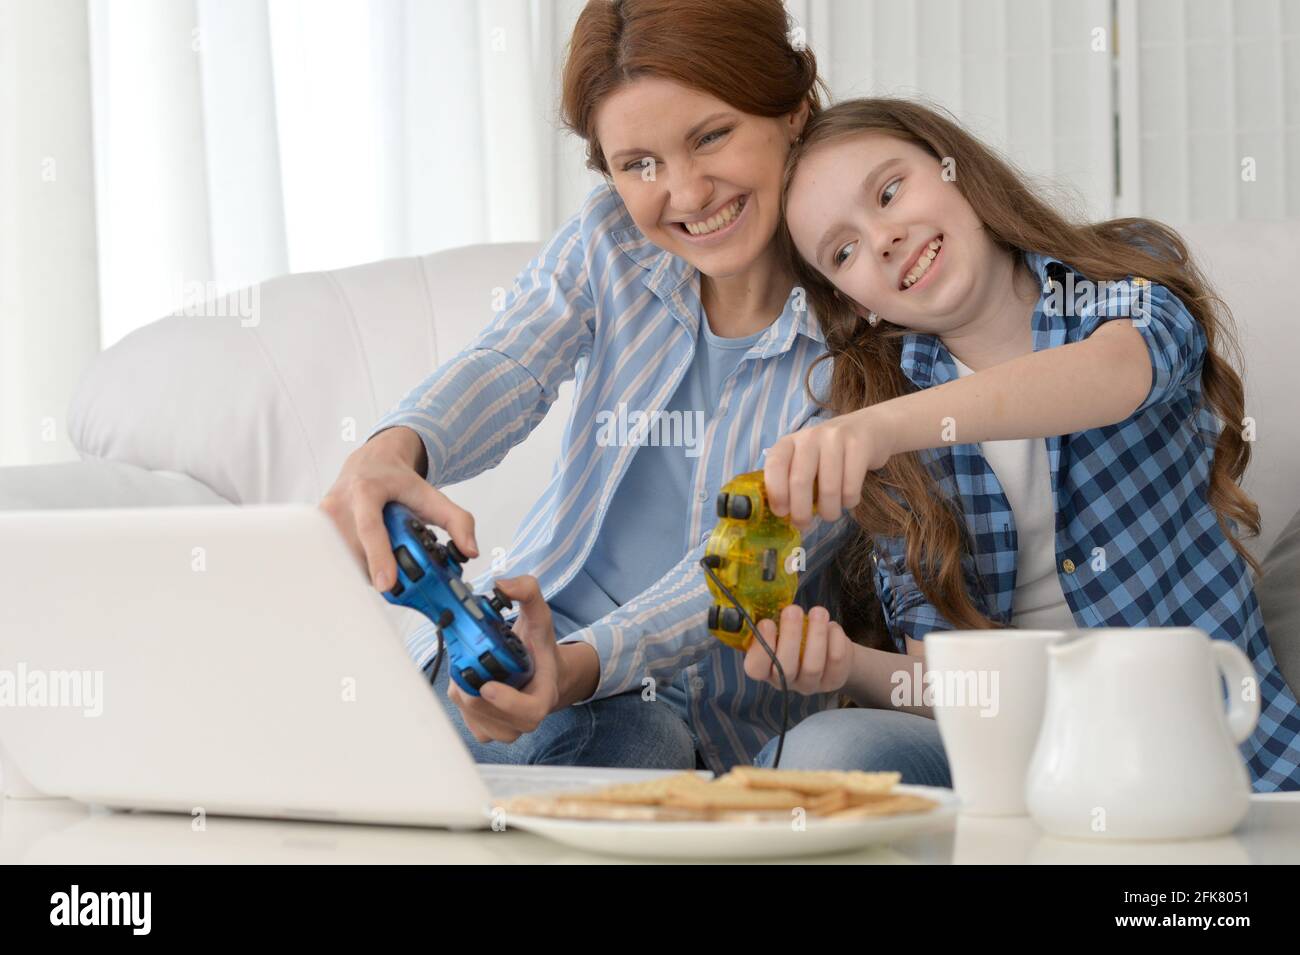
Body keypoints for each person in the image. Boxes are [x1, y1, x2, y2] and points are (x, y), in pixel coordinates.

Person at [320, 0, 852, 773]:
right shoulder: (611, 238)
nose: (689, 193)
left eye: (711, 137)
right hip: (506, 650)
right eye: (641, 164)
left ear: (795, 108)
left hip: (675, 707)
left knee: (609, 753)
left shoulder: (863, 350)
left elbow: (736, 576)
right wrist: (394, 448)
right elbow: (510, 361)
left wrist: (573, 668)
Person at [750, 97, 1300, 792]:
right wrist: (848, 665)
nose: (883, 238)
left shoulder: (1120, 278)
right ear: (855, 300)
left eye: (890, 191)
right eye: (845, 251)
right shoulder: (886, 426)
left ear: (957, 171)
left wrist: (879, 430)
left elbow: (1115, 374)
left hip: (1184, 743)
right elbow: (957, 685)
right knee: (825, 748)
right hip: (1017, 756)